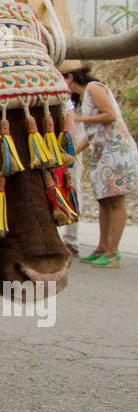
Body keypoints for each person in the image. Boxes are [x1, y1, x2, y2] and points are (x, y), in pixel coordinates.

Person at [70, 65, 138, 267]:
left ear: (70, 78)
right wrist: (71, 154)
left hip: (117, 152)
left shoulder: (93, 87)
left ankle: (112, 253)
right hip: (103, 154)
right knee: (104, 202)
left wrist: (81, 119)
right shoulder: (82, 99)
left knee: (116, 202)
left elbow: (110, 115)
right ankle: (101, 247)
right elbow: (91, 135)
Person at [58, 65, 89, 255]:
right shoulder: (72, 95)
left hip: (72, 146)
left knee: (72, 186)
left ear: (69, 77)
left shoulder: (91, 92)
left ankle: (71, 239)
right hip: (66, 145)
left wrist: (72, 152)